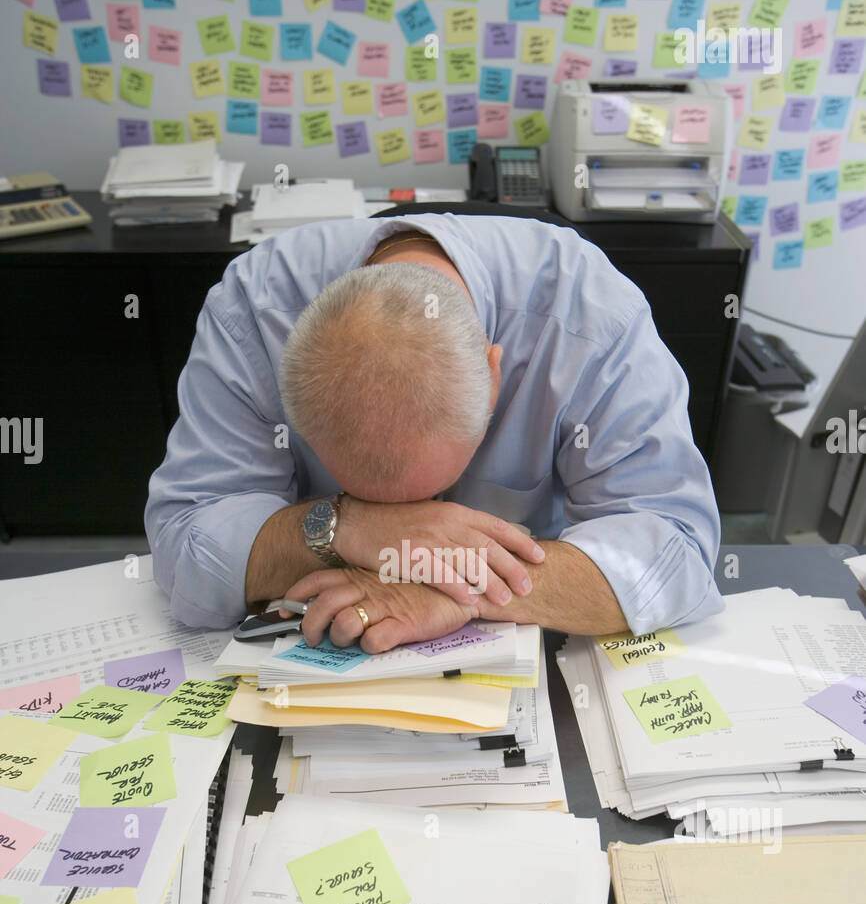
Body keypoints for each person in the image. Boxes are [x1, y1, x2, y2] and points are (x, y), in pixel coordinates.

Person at [145, 213, 723, 648]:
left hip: (531, 651)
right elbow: (184, 542)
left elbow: (676, 550)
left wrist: (456, 588)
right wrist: (341, 526)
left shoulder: (593, 316)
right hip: (321, 644)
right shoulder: (254, 311)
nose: (413, 531)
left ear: (494, 376)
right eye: (382, 509)